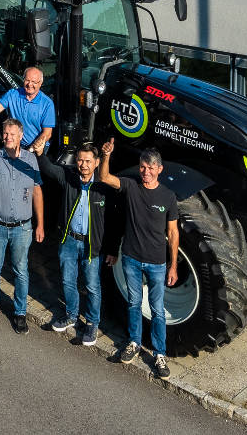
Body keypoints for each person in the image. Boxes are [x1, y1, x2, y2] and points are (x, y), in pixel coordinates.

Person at [97, 143, 179, 378]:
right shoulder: (131, 186)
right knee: (133, 303)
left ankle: (159, 354)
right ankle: (133, 343)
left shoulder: (168, 196)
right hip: (131, 259)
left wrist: (173, 265)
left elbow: (173, 234)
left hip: (157, 263)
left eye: (151, 168)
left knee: (157, 310)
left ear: (160, 169)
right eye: (143, 167)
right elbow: (104, 176)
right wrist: (106, 155)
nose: (146, 171)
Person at [38, 141, 108, 345]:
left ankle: (93, 323)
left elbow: (113, 222)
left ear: (96, 163)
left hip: (91, 244)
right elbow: (49, 168)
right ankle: (71, 315)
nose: (83, 165)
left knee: (92, 286)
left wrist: (110, 248)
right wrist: (41, 154)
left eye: (88, 161)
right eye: (80, 160)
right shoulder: (69, 177)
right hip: (69, 239)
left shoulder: (104, 187)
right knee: (68, 280)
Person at [0, 119, 44, 334]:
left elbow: (36, 191)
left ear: (21, 136)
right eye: (5, 133)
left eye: (12, 134)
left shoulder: (31, 160)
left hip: (22, 228)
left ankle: (20, 313)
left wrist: (40, 224)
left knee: (21, 271)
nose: (7, 137)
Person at [0, 67, 56, 156]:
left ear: (40, 83)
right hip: (15, 144)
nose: (30, 84)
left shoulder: (47, 104)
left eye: (34, 82)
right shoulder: (13, 94)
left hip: (36, 147)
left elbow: (47, 133)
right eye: (27, 80)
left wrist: (32, 149)